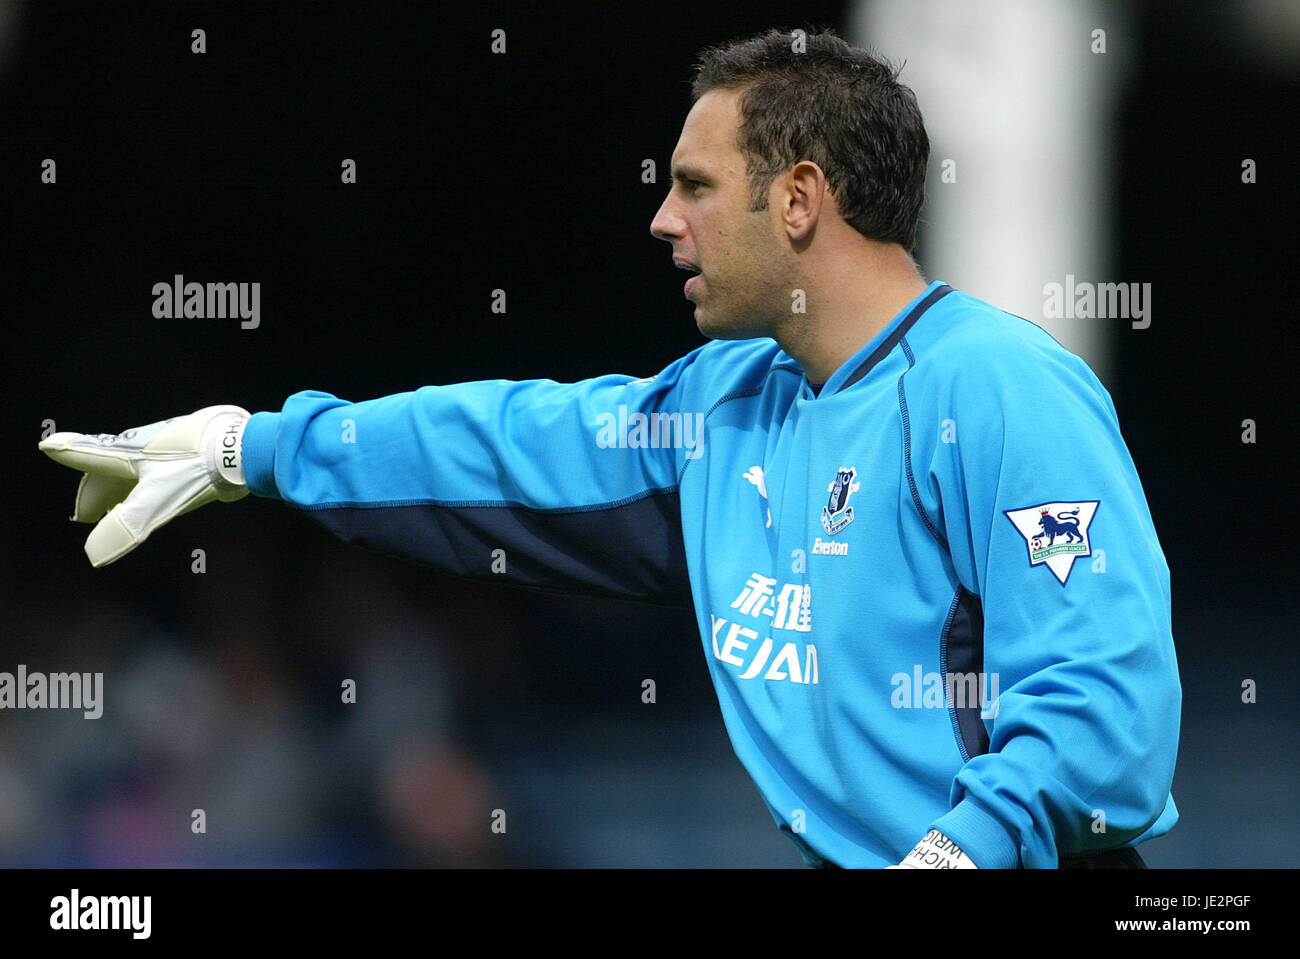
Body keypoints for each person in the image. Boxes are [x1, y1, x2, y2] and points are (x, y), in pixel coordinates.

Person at [39, 28, 1180, 869]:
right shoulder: (727, 401)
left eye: (693, 186)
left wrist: (951, 854)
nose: (662, 219)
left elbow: (1105, 720)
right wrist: (260, 446)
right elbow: (502, 443)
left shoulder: (999, 390)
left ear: (798, 199)